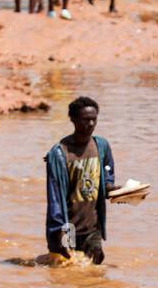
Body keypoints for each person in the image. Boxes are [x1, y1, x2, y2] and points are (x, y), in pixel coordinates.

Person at [45, 96, 114, 264]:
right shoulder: (60, 154)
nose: (90, 124)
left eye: (94, 119)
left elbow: (107, 179)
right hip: (68, 228)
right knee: (66, 271)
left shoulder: (101, 146)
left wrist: (120, 191)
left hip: (92, 225)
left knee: (96, 265)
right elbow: (54, 198)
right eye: (85, 120)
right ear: (73, 120)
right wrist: (57, 231)